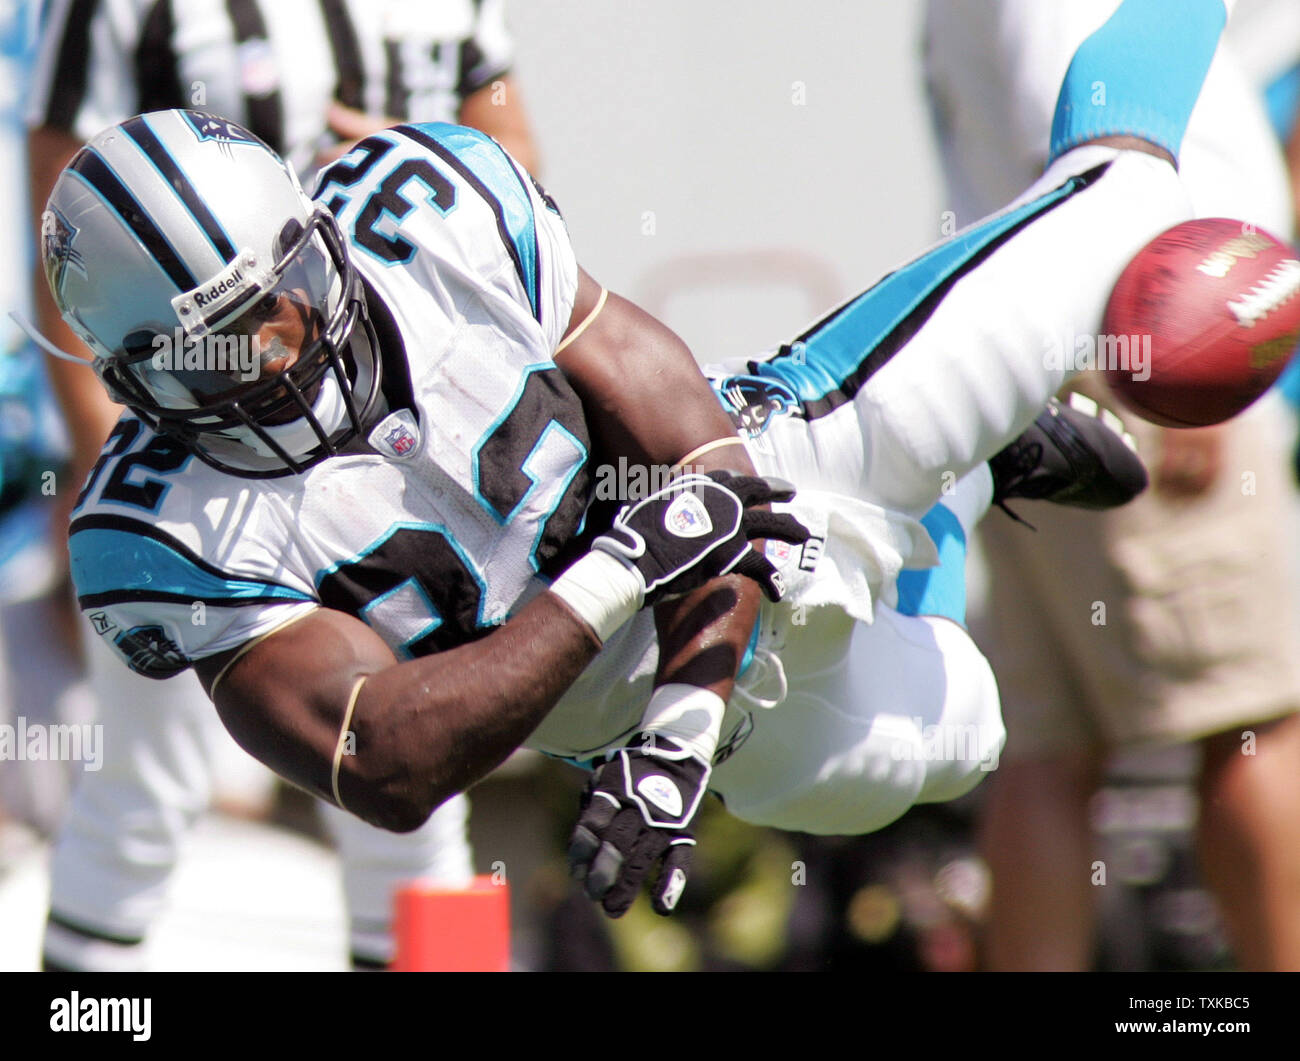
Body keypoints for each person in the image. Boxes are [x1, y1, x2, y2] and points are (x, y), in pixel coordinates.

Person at [41, 0, 1231, 918]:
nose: (275, 362)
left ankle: (949, 456)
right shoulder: (158, 530)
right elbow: (388, 759)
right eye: (217, 353)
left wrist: (676, 725)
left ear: (313, 237)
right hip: (685, 702)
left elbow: (702, 462)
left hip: (780, 468)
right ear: (136, 378)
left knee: (1116, 198)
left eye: (284, 304)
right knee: (962, 730)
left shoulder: (431, 202)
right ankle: (969, 479)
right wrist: (617, 590)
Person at [26, 0, 536, 970]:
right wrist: (97, 454)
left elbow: (510, 139)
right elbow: (65, 220)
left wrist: (410, 163)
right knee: (146, 781)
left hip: (387, 412)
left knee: (423, 785)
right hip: (201, 442)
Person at [925, 0, 1300, 970]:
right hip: (1151, 353)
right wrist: (1175, 368)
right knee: (1253, 722)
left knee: (1050, 749)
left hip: (1041, 360)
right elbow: (1095, 143)